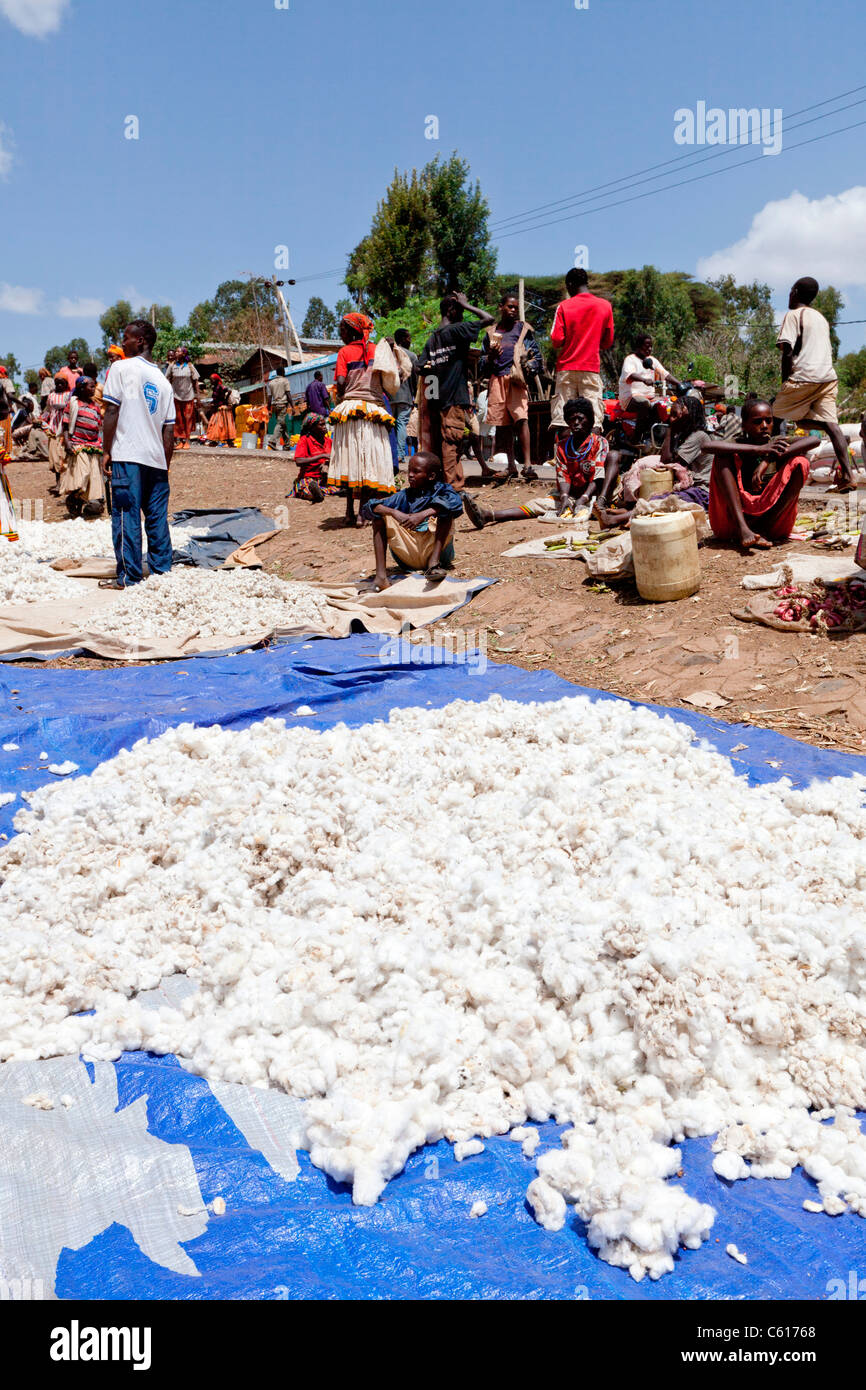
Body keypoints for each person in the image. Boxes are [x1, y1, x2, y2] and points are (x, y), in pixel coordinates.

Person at [101, 319, 175, 588]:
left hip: (127, 455)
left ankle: (129, 578)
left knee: (126, 515)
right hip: (156, 461)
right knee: (156, 520)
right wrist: (163, 466)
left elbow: (111, 411)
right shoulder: (163, 382)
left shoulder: (120, 367)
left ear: (140, 341)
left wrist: (106, 450)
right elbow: (169, 432)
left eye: (126, 337)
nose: (123, 343)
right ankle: (162, 574)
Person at [463, 397, 615, 527]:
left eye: (580, 419)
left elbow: (599, 476)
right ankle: (489, 515)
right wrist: (563, 498)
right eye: (572, 419)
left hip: (594, 494)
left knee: (607, 501)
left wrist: (584, 498)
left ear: (590, 420)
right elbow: (563, 476)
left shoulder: (599, 443)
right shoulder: (563, 446)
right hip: (570, 495)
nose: (576, 423)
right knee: (536, 505)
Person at [705, 397, 819, 552]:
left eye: (768, 421)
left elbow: (814, 439)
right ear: (744, 425)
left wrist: (767, 459)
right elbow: (706, 446)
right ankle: (744, 530)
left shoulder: (777, 442)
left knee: (801, 462)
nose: (764, 426)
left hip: (771, 522)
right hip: (737, 521)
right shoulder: (738, 442)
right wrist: (757, 449)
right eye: (757, 422)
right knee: (722, 456)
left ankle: (763, 530)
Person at [773, 277, 855, 491]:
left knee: (772, 414)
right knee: (825, 424)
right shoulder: (820, 318)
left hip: (804, 376)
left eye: (791, 290)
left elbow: (788, 350)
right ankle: (848, 475)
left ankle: (768, 467)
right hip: (827, 377)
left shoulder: (793, 315)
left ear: (796, 291)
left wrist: (785, 384)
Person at [418, 292, 495, 490]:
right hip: (453, 399)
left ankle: (450, 482)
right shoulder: (457, 330)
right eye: (460, 310)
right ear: (452, 311)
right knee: (452, 443)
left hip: (436, 400)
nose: (463, 314)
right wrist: (467, 304)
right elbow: (489, 319)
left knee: (448, 444)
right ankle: (452, 487)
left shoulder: (432, 340)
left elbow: (420, 367)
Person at [327, 312, 398, 526]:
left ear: (351, 331)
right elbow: (391, 381)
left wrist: (342, 390)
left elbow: (340, 381)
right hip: (374, 411)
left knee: (350, 461)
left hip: (349, 410)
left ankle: (349, 512)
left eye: (342, 330)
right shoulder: (378, 350)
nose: (341, 334)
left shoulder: (344, 352)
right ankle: (362, 514)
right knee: (368, 462)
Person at [361, 450, 464, 590]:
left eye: (416, 472)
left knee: (446, 511)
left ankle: (433, 564)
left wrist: (422, 515)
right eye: (409, 470)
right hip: (408, 557)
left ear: (431, 476)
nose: (410, 475)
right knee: (380, 514)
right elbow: (368, 507)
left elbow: (456, 503)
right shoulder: (404, 495)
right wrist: (394, 512)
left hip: (438, 554)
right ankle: (380, 577)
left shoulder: (443, 490)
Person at [480, 293, 542, 481]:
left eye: (516, 307)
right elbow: (482, 364)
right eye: (510, 307)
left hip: (515, 380)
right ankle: (511, 466)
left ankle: (528, 465)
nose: (513, 310)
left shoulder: (523, 330)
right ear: (501, 307)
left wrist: (528, 365)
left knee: (521, 419)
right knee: (502, 425)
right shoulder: (491, 333)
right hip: (497, 380)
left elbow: (536, 357)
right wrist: (490, 356)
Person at [549, 268, 614, 435]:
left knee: (564, 419)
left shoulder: (564, 306)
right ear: (586, 283)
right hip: (591, 369)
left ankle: (564, 460)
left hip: (566, 368)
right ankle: (592, 460)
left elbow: (556, 340)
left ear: (570, 285)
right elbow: (607, 342)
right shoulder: (605, 306)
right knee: (594, 418)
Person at [59, 376, 105, 518]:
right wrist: (67, 442)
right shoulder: (73, 404)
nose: (93, 389)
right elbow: (65, 425)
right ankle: (73, 499)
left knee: (94, 478)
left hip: (93, 446)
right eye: (91, 386)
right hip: (78, 445)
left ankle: (84, 504)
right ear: (81, 388)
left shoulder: (95, 406)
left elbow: (98, 427)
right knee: (81, 476)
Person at [618, 333, 681, 436]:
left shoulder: (652, 361)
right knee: (644, 403)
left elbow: (665, 374)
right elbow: (631, 375)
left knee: (668, 404)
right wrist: (644, 380)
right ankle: (636, 437)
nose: (650, 349)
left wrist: (680, 383)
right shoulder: (630, 359)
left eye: (651, 346)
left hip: (651, 397)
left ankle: (658, 434)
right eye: (647, 346)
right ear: (638, 346)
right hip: (631, 398)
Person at [658, 393, 714, 508]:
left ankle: (623, 517)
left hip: (702, 492)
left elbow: (666, 461)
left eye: (674, 414)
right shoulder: (684, 436)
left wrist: (670, 428)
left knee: (660, 500)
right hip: (694, 489)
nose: (671, 418)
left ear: (686, 413)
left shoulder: (698, 436)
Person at [290, 413, 338, 501]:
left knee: (338, 486)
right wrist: (322, 456)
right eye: (321, 425)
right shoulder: (305, 440)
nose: (324, 427)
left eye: (324, 424)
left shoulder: (329, 441)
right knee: (305, 487)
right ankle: (314, 495)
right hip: (309, 477)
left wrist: (327, 464)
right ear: (312, 427)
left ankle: (318, 491)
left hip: (325, 478)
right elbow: (298, 461)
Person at [165, 346, 202, 450]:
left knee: (188, 419)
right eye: (176, 351)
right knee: (178, 420)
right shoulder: (172, 366)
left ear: (184, 354)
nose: (176, 353)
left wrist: (198, 397)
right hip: (176, 396)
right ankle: (180, 441)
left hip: (188, 396)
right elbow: (166, 379)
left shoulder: (190, 366)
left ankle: (187, 441)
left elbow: (195, 382)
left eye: (178, 351)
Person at [390, 329, 419, 466]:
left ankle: (390, 454)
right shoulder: (411, 356)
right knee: (401, 424)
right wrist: (414, 394)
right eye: (409, 338)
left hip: (389, 396)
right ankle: (400, 454)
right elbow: (415, 379)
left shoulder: (388, 354)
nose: (410, 340)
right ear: (402, 339)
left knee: (389, 425)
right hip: (405, 396)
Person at [43, 374, 71, 492]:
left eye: (62, 383)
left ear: (66, 384)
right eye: (57, 383)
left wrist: (64, 406)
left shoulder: (68, 395)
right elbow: (48, 411)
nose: (59, 385)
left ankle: (67, 484)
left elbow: (71, 408)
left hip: (65, 431)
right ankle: (58, 483)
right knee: (55, 459)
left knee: (65, 459)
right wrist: (41, 419)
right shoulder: (51, 396)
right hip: (54, 430)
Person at [205, 374, 236, 446]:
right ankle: (215, 441)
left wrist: (225, 399)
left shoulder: (220, 387)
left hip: (221, 409)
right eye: (210, 380)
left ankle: (228, 441)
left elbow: (229, 391)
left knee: (221, 425)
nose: (211, 381)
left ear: (216, 380)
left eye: (212, 380)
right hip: (217, 408)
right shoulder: (215, 387)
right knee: (216, 425)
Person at [267, 366, 293, 449]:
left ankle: (287, 445)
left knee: (282, 424)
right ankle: (272, 441)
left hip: (274, 405)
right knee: (280, 424)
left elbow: (269, 397)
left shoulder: (271, 383)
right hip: (282, 404)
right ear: (283, 373)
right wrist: (292, 406)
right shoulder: (285, 381)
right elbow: (288, 394)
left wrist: (269, 409)